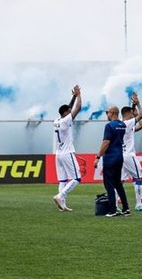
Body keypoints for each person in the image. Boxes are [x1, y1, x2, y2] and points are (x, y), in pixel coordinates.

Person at [94, 105, 130, 217]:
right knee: (118, 184)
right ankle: (126, 208)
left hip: (110, 157)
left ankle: (112, 210)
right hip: (120, 156)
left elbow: (106, 142)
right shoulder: (122, 125)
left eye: (107, 112)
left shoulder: (109, 126)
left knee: (109, 184)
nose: (106, 114)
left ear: (113, 113)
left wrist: (98, 157)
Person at [52, 84, 82, 212]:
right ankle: (60, 196)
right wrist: (79, 95)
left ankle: (62, 205)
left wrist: (73, 97)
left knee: (63, 180)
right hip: (67, 152)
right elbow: (78, 108)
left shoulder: (57, 120)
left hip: (58, 154)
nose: (71, 112)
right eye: (69, 111)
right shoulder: (65, 121)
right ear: (66, 113)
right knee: (77, 178)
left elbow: (68, 109)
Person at [121, 92, 142, 211]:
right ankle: (139, 204)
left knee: (120, 180)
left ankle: (114, 201)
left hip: (121, 155)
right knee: (139, 177)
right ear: (129, 114)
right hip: (129, 155)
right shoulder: (128, 123)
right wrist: (138, 104)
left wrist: (133, 106)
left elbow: (139, 126)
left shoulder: (121, 124)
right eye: (133, 113)